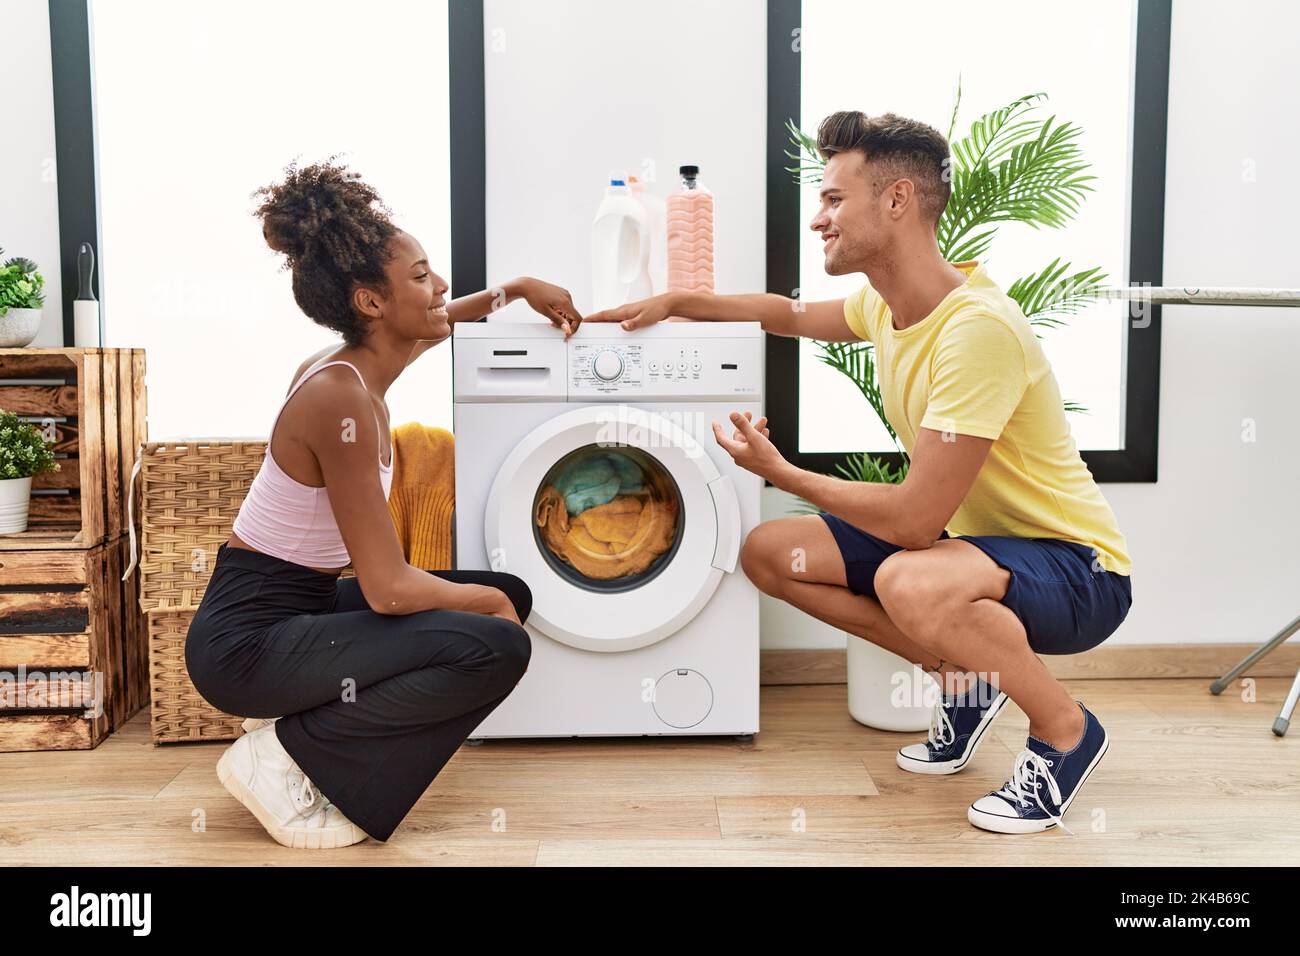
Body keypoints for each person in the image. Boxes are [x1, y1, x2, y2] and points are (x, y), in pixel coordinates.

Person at [587, 111, 1134, 834]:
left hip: (1078, 571)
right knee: (773, 554)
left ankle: (1065, 730)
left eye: (835, 199)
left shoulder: (977, 332)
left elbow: (913, 523)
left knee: (907, 575)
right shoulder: (887, 305)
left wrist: (782, 471)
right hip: (973, 553)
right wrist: (681, 301)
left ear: (897, 200)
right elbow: (787, 313)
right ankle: (964, 678)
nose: (819, 219)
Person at [185, 155, 585, 848]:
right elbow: (389, 589)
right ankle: (283, 759)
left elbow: (442, 317)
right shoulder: (337, 397)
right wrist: (482, 610)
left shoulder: (356, 364)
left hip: (290, 613)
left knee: (508, 594)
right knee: (496, 644)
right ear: (371, 301)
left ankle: (298, 729)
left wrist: (518, 289)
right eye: (422, 275)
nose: (441, 287)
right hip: (246, 645)